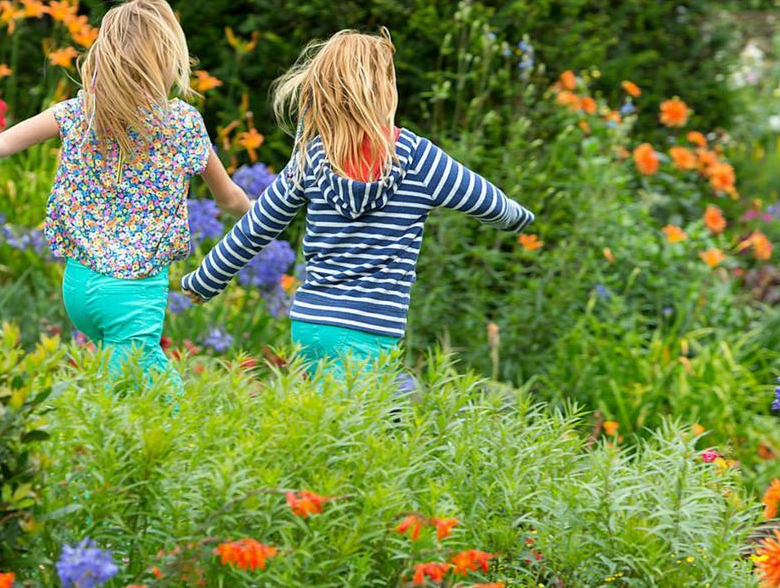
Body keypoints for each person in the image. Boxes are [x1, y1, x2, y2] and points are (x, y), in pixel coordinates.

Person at [0, 0, 251, 383]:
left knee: (124, 393)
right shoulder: (184, 123)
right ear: (168, 58)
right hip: (132, 292)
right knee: (161, 406)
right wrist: (261, 211)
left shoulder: (79, 112)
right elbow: (227, 197)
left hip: (79, 286)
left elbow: (1, 143)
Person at [180, 29, 533, 383]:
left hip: (311, 325)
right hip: (369, 329)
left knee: (322, 424)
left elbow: (256, 225)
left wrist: (206, 279)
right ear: (386, 89)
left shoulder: (310, 159)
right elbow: (488, 202)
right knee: (354, 431)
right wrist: (520, 219)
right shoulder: (419, 158)